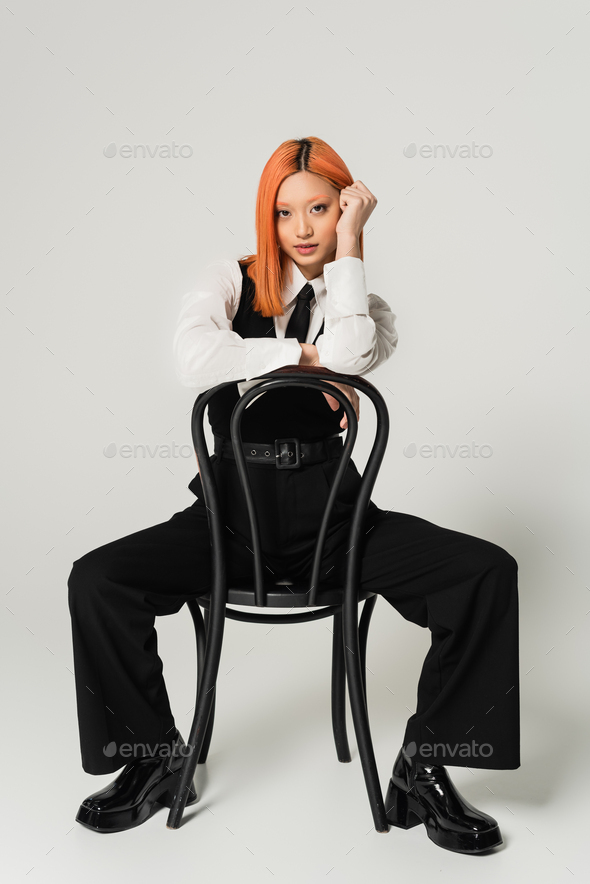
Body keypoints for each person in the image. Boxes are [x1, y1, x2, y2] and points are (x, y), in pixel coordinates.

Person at [68, 136, 519, 853]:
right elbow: (194, 357)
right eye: (286, 213)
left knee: (487, 570)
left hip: (335, 526)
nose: (303, 229)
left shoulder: (362, 304)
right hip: (229, 523)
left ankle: (425, 766)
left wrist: (353, 246)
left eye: (322, 209)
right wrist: (299, 357)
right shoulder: (228, 280)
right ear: (266, 218)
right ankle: (152, 762)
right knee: (97, 580)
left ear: (345, 210)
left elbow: (350, 352)